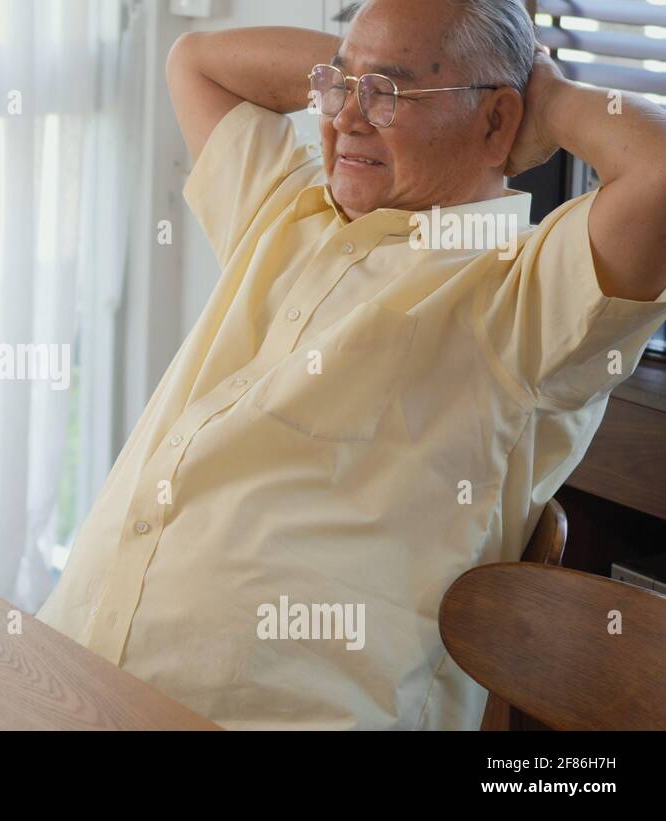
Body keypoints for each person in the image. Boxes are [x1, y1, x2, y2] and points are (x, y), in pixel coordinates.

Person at [36, 0, 666, 729]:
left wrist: (544, 94)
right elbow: (197, 63)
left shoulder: (520, 296)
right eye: (338, 89)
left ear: (498, 123)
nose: (345, 120)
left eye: (390, 94)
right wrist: (363, 67)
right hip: (66, 669)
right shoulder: (290, 208)